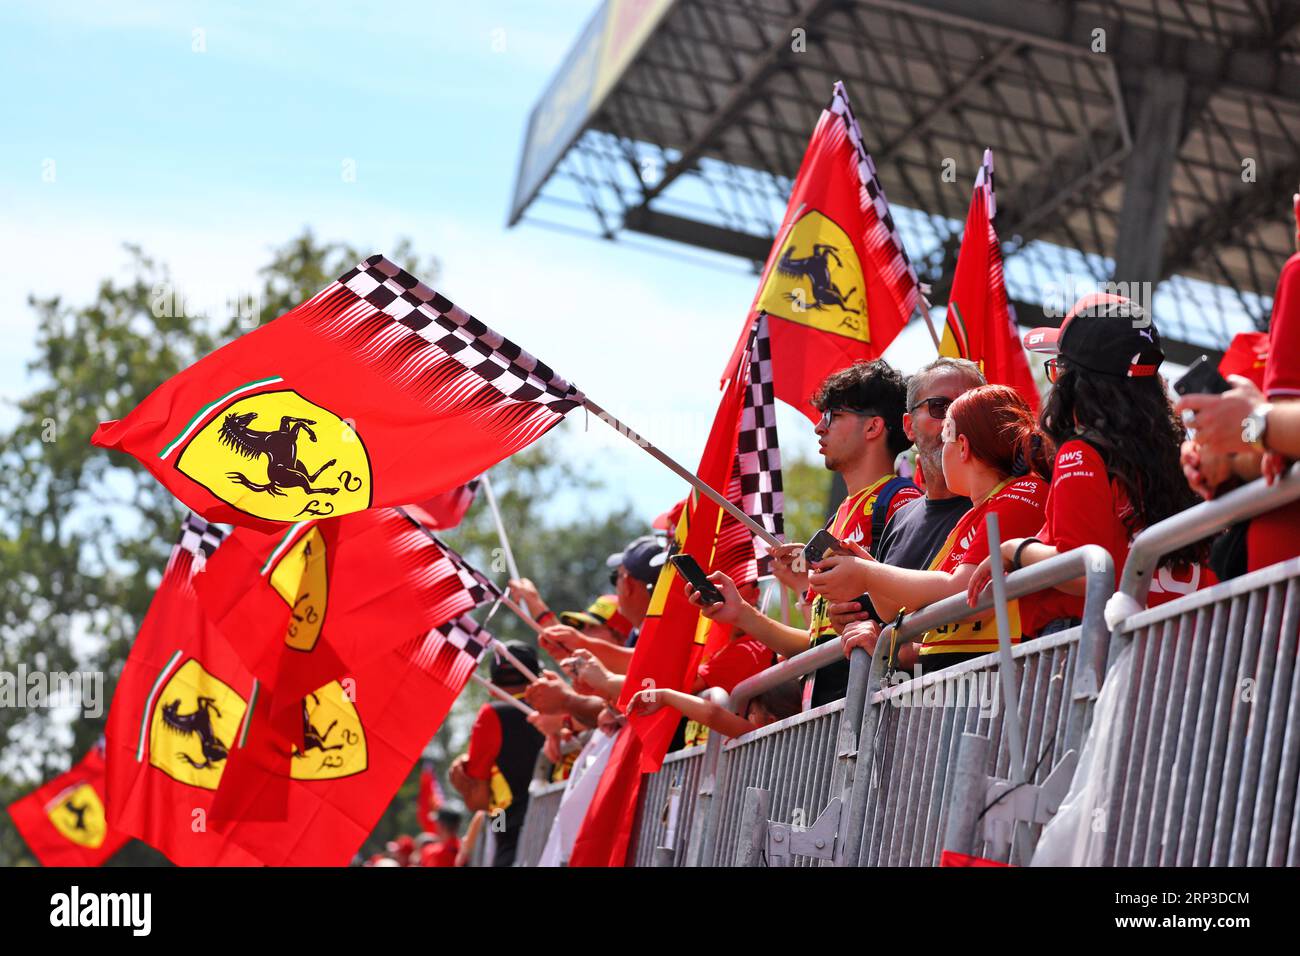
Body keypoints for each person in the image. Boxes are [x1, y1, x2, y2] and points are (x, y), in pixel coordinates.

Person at [965, 294, 1208, 629]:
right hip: (1182, 646)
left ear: (1076, 380)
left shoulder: (1082, 452)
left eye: (1059, 367)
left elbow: (1083, 571)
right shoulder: (1184, 455)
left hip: (1094, 650)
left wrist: (1013, 550)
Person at [826, 384, 1051, 671]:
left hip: (1000, 684)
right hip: (969, 688)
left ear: (963, 447)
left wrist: (868, 574)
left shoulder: (1021, 494)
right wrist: (867, 569)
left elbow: (964, 593)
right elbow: (900, 610)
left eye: (946, 440)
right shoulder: (976, 513)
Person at [1177, 192, 1300, 572]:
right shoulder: (1248, 350)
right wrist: (1225, 459)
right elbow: (1276, 456)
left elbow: (1270, 433)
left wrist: (1257, 422)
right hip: (1264, 577)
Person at [825, 357, 987, 637]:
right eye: (940, 407)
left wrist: (866, 575)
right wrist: (853, 616)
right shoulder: (899, 519)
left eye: (971, 406)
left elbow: (966, 595)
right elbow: (891, 620)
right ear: (909, 426)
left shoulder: (1003, 499)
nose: (955, 421)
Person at [448, 642, 544, 867]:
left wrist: (460, 781)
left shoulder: (492, 715)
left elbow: (479, 802)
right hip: (566, 829)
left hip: (512, 834)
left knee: (497, 820)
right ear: (536, 678)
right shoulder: (565, 707)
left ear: (491, 687)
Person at [532, 536, 666, 673]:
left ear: (627, 584)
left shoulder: (665, 638)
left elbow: (645, 665)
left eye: (615, 577)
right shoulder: (655, 634)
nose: (583, 632)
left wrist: (581, 644)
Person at [625, 680, 802, 740]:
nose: (746, 717)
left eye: (752, 712)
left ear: (771, 721)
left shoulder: (763, 736)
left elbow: (713, 714)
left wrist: (666, 697)